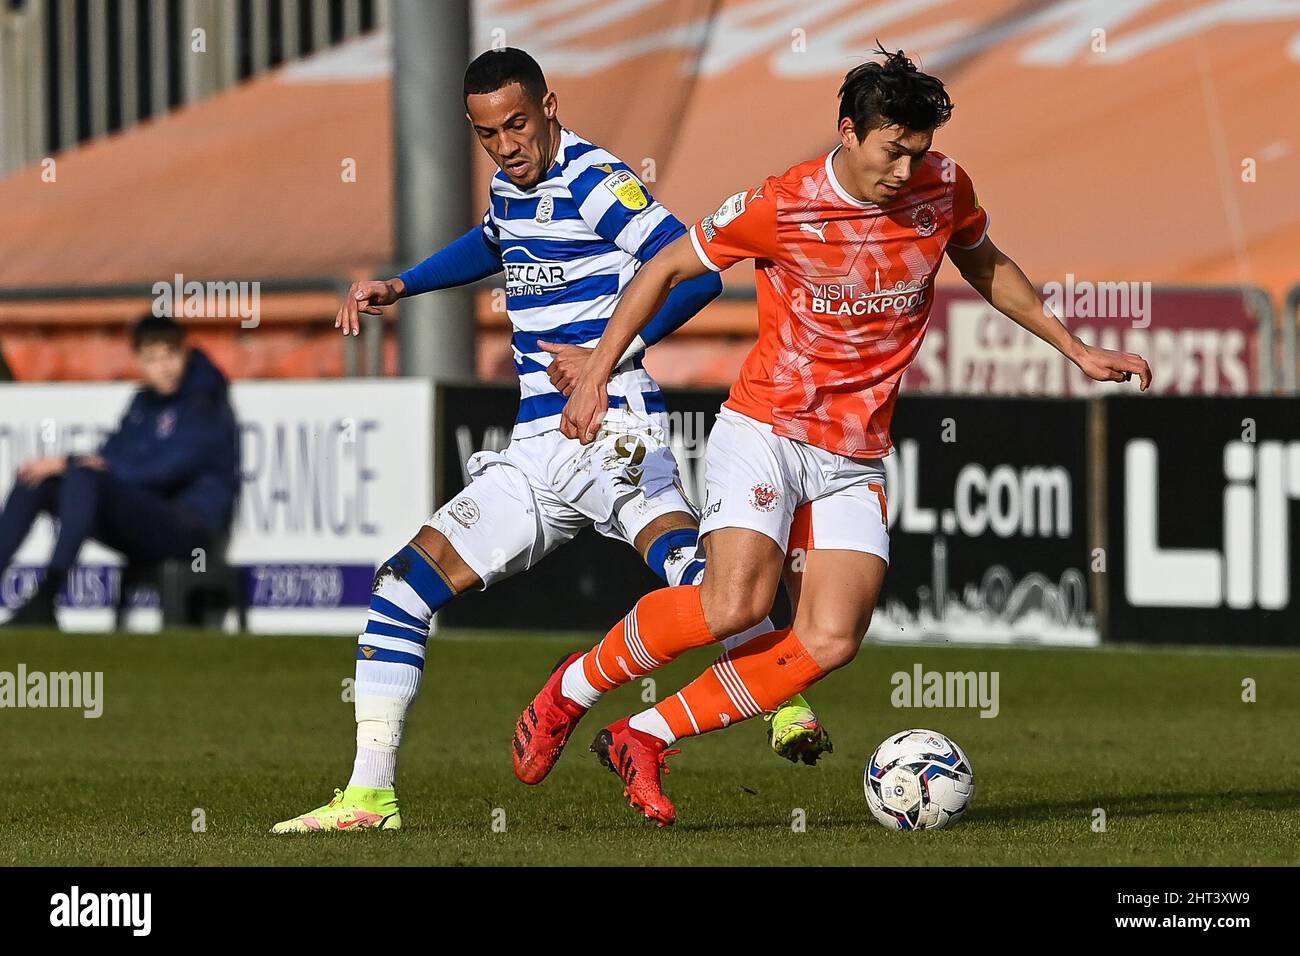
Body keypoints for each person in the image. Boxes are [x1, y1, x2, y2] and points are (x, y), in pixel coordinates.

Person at [523, 46, 1154, 826]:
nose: (906, 169)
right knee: (733, 605)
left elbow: (986, 264)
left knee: (829, 639)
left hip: (854, 451)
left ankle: (643, 735)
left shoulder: (944, 187)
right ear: (849, 133)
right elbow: (663, 270)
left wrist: (1076, 347)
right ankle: (570, 691)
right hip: (766, 429)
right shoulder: (781, 203)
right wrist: (596, 374)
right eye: (893, 150)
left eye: (917, 151)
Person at [271, 48, 829, 835]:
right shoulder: (513, 184)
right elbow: (494, 238)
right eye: (487, 133)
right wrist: (405, 283)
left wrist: (610, 359)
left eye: (518, 125)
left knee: (694, 573)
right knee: (404, 586)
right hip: (538, 442)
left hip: (612, 419)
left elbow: (697, 274)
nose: (505, 146)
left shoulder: (598, 180)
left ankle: (782, 689)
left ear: (550, 106)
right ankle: (370, 797)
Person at [0, 314, 239, 629]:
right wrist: (69, 465)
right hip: (147, 518)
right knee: (37, 480)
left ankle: (47, 595)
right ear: (139, 362)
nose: (164, 366)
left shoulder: (204, 401)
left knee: (85, 477)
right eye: (152, 359)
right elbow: (111, 455)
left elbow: (168, 468)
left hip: (193, 531)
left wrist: (73, 464)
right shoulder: (143, 404)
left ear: (184, 353)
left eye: (170, 355)